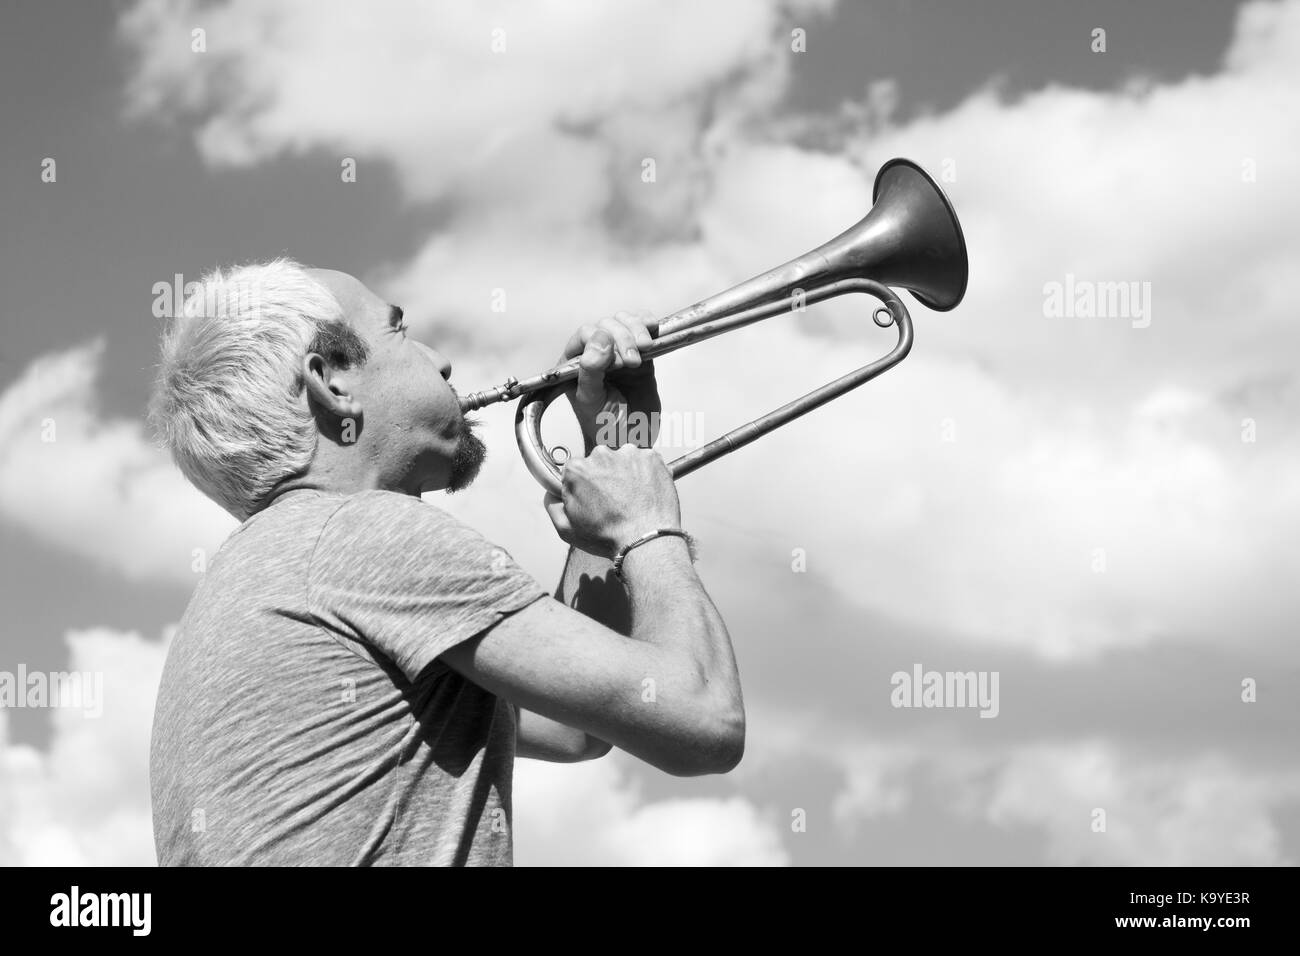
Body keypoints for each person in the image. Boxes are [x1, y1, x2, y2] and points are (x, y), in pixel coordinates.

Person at [146, 258, 743, 866]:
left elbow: (580, 727)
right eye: (399, 331)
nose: (442, 361)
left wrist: (616, 450)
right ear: (333, 384)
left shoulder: (248, 583)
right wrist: (647, 526)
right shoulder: (361, 533)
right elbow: (704, 718)